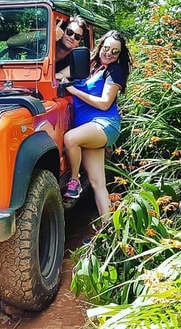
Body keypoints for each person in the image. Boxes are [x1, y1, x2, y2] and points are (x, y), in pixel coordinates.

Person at [59, 30, 132, 224]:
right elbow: (58, 75)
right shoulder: (90, 65)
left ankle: (74, 180)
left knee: (70, 139)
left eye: (115, 52)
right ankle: (109, 233)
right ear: (100, 47)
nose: (109, 54)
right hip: (89, 127)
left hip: (104, 124)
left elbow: (104, 103)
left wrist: (74, 90)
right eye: (106, 48)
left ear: (120, 55)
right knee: (98, 184)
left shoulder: (115, 71)